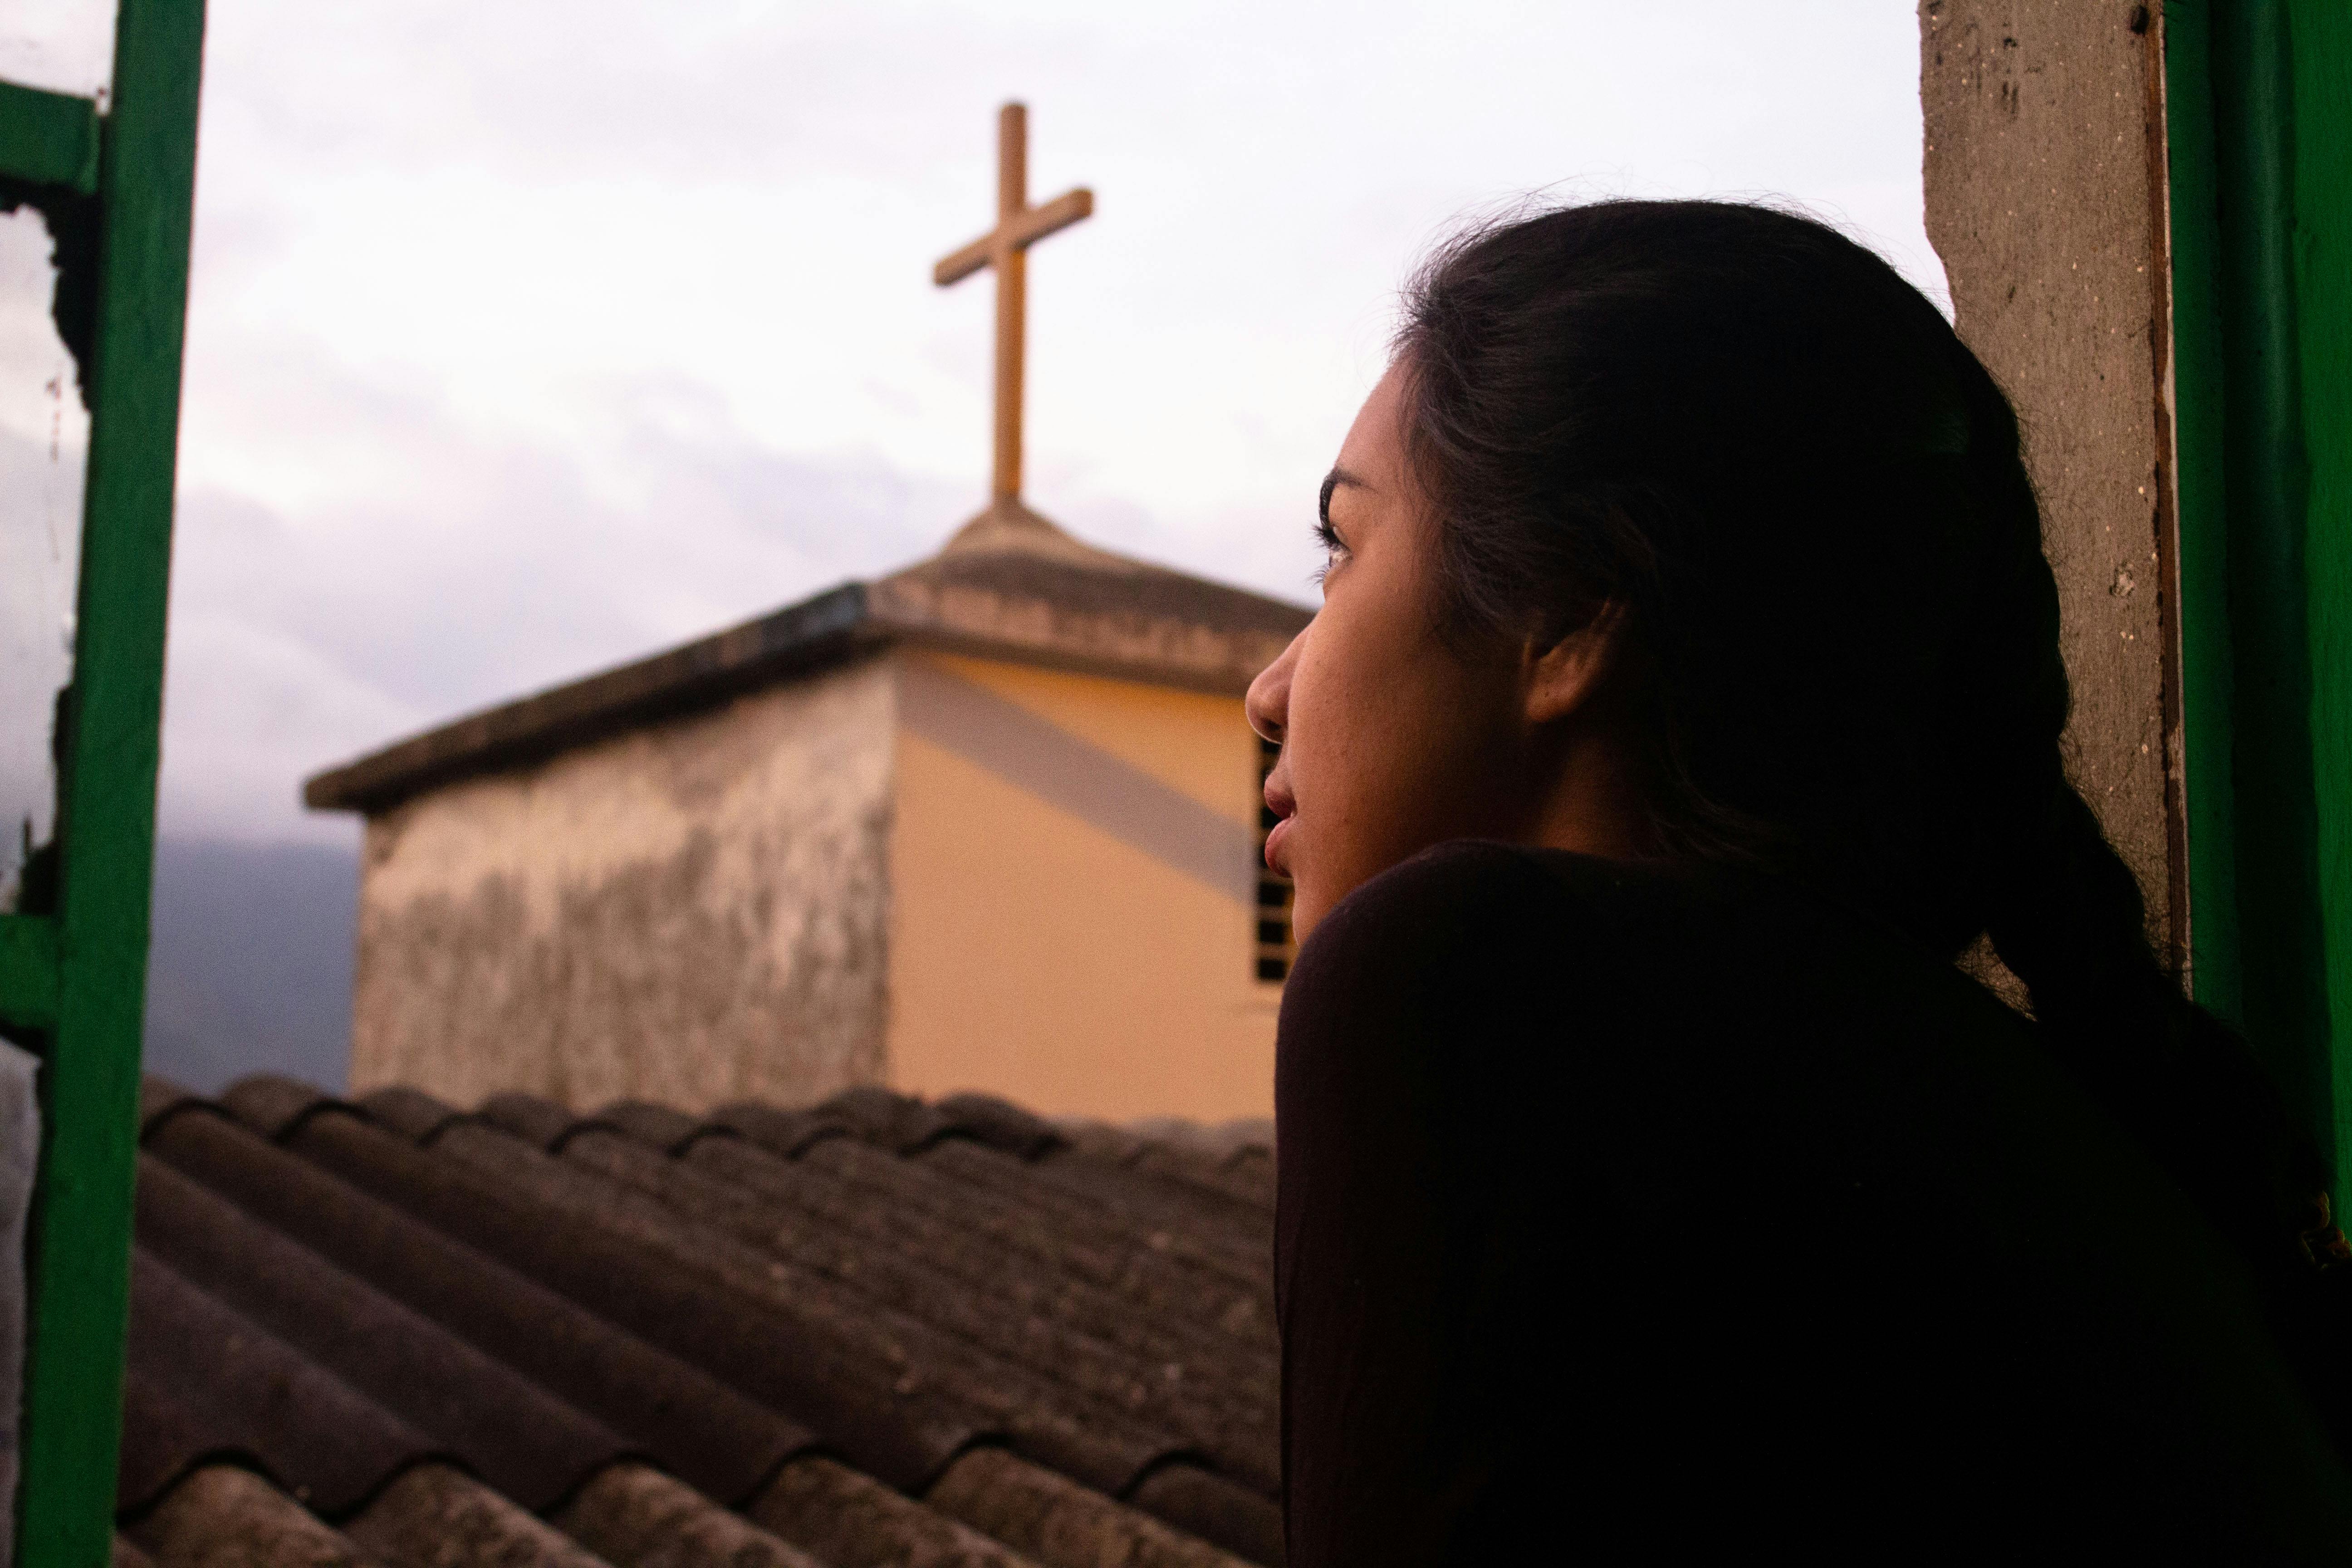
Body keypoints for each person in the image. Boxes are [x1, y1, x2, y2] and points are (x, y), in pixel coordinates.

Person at [1245, 200, 2352, 1563]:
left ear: (1574, 613)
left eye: (1342, 551)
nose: (1269, 687)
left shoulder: (1467, 982)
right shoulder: (2027, 1134)